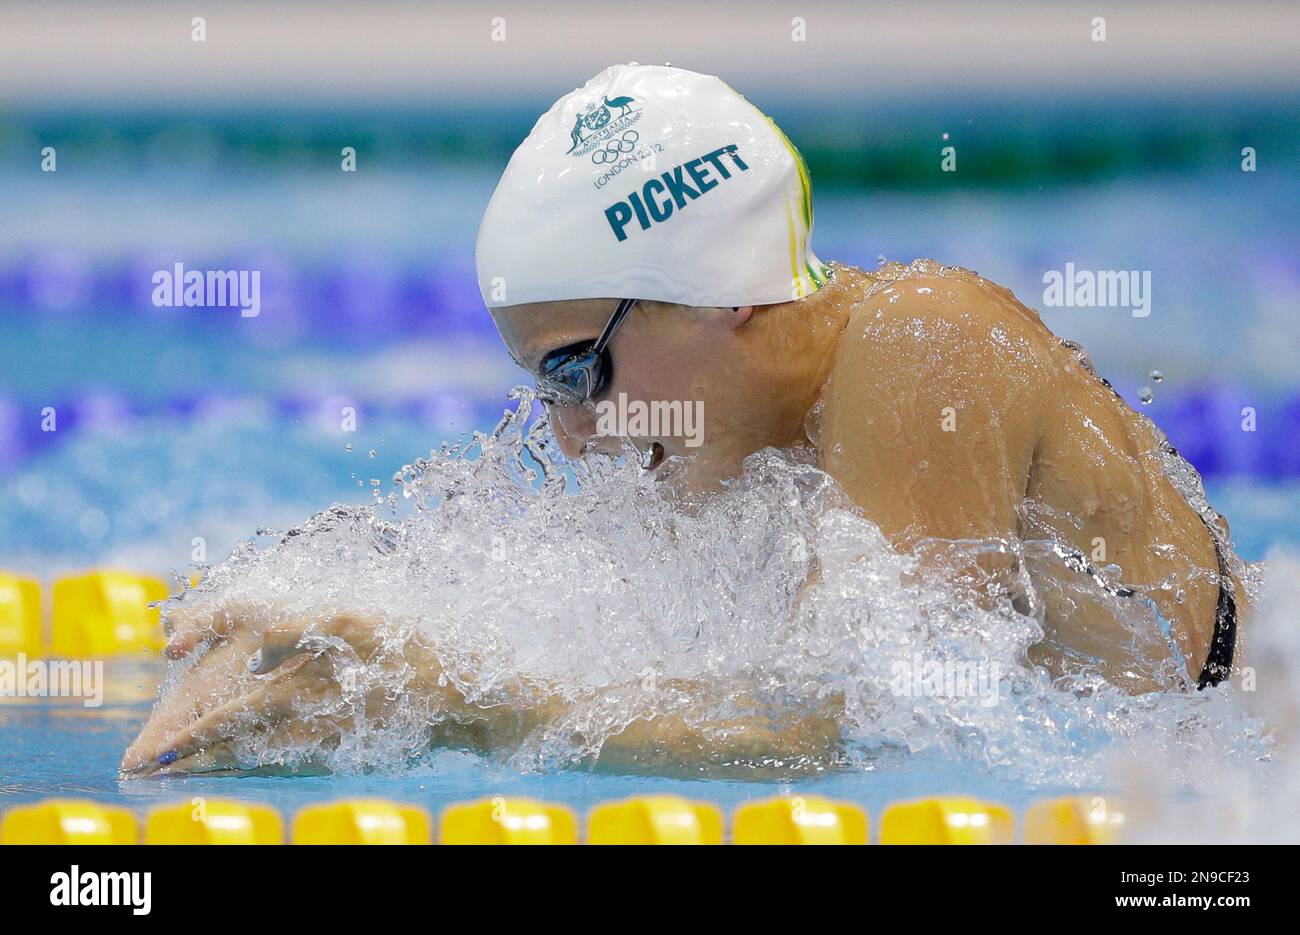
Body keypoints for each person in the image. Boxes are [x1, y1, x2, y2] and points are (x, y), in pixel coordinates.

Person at [122, 64, 1243, 777]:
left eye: (578, 369)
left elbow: (867, 723)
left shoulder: (921, 342)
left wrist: (458, 702)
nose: (571, 434)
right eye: (545, 386)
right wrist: (340, 640)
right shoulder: (744, 437)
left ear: (722, 289)